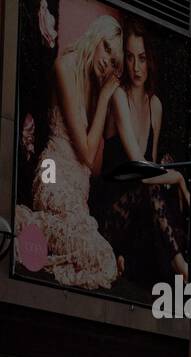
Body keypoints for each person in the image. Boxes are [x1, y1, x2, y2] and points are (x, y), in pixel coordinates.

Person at [16, 16, 121, 288]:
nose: (107, 61)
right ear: (96, 37)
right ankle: (25, 223)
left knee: (98, 257)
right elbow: (85, 154)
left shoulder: (96, 89)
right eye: (107, 48)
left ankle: (34, 230)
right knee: (102, 259)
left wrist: (103, 103)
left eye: (114, 61)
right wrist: (106, 99)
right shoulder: (66, 66)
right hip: (53, 176)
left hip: (77, 193)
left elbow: (94, 167)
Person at [95, 18, 190, 282]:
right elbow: (140, 167)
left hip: (141, 213)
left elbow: (152, 167)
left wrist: (168, 176)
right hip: (113, 210)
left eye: (142, 58)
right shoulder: (119, 97)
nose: (136, 68)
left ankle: (131, 259)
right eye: (129, 58)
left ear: (151, 61)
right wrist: (178, 177)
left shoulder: (155, 105)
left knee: (158, 193)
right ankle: (180, 264)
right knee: (152, 185)